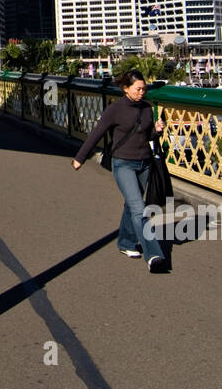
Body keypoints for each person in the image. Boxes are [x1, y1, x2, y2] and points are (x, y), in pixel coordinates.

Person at [72, 69, 168, 272]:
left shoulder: (147, 109)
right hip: (123, 163)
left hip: (145, 163)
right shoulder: (115, 109)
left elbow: (147, 136)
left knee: (132, 206)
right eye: (138, 89)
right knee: (139, 208)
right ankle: (154, 255)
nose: (142, 92)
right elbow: (97, 133)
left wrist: (157, 131)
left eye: (144, 89)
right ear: (126, 88)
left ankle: (126, 242)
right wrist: (80, 157)